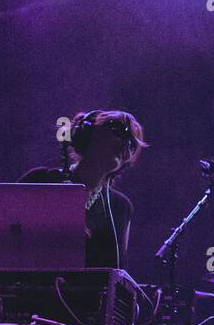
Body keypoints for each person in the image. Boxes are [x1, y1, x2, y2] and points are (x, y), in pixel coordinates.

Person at [19, 109, 147, 269]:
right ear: (89, 133)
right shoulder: (40, 180)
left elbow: (117, 273)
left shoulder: (121, 207)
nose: (126, 144)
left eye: (132, 144)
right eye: (120, 131)